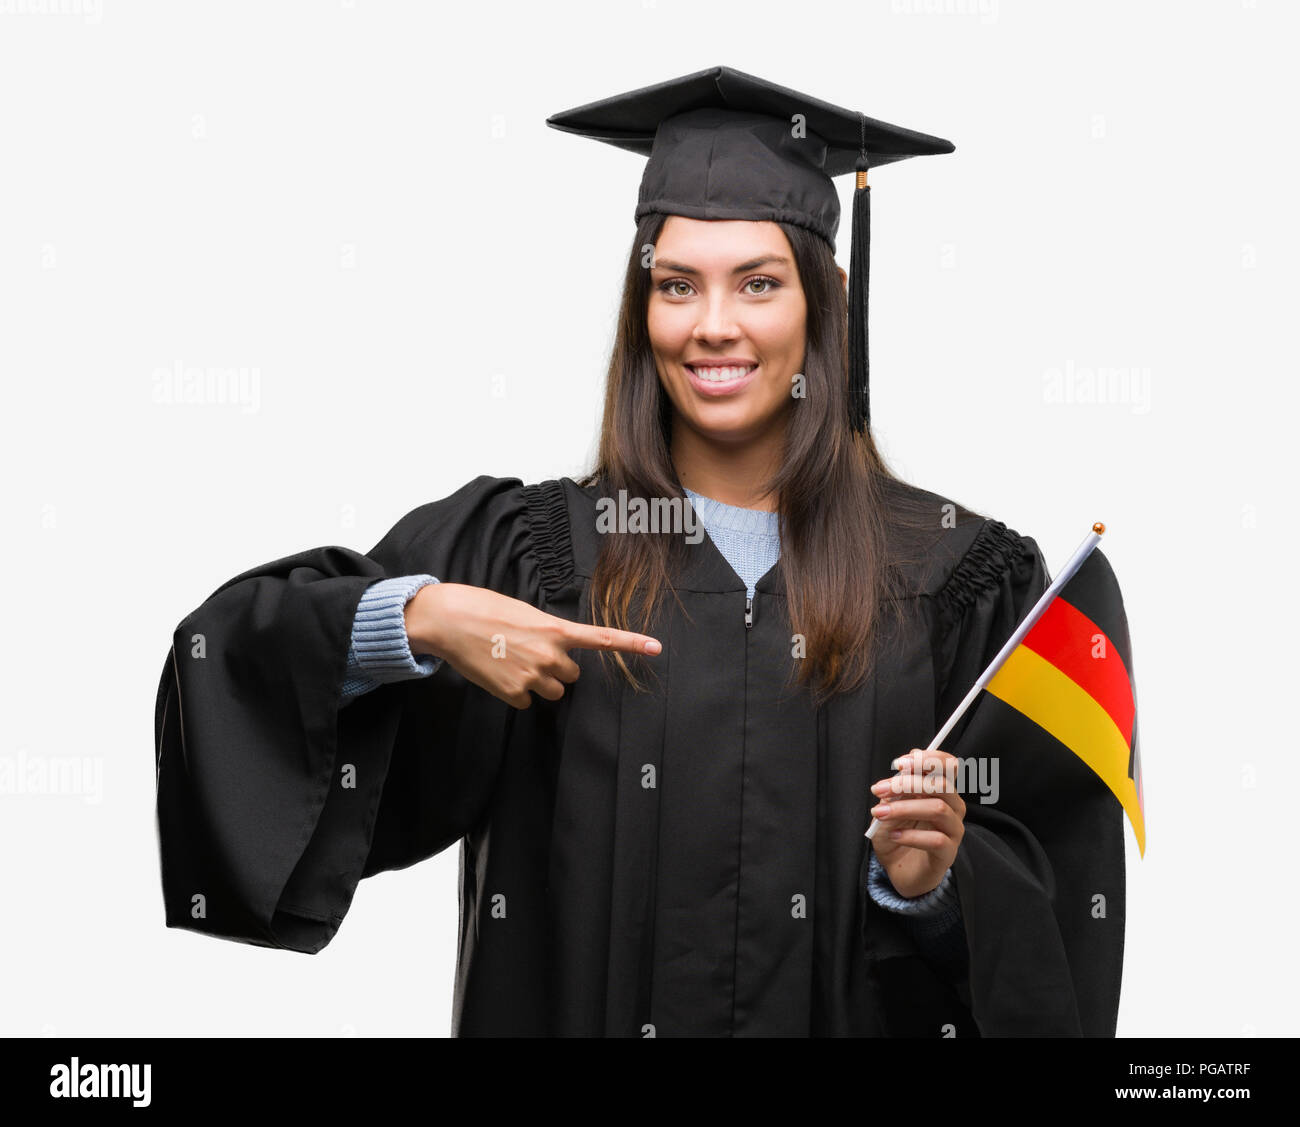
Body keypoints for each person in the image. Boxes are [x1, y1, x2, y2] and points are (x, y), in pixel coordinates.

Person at [153, 66, 1126, 1037]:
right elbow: (227, 653)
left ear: (825, 297)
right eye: (676, 284)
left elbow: (1055, 897)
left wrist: (932, 882)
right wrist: (419, 619)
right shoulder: (529, 555)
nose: (713, 325)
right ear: (641, 305)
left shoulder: (961, 579)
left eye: (758, 283)